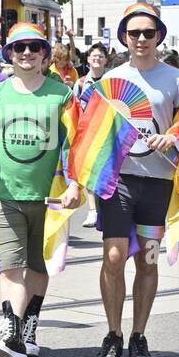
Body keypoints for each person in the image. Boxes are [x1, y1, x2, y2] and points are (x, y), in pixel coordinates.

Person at [93, 3, 179, 357]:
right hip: (118, 180)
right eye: (133, 33)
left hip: (157, 182)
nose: (140, 39)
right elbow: (94, 132)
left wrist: (172, 135)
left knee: (147, 259)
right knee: (114, 257)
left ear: (158, 37)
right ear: (123, 37)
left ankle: (138, 336)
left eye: (148, 33)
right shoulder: (109, 80)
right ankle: (113, 334)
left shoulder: (177, 79)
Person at [0, 23, 82, 357]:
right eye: (19, 47)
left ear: (44, 55)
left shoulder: (62, 95)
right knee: (10, 267)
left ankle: (29, 326)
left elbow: (78, 144)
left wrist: (76, 184)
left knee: (38, 267)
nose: (26, 53)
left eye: (34, 47)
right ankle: (10, 330)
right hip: (4, 195)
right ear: (9, 53)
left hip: (49, 198)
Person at [76, 43, 110, 227]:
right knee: (88, 171)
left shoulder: (112, 80)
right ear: (88, 59)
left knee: (105, 171)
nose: (97, 59)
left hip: (108, 133)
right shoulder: (80, 83)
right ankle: (92, 211)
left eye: (100, 56)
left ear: (105, 60)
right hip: (88, 132)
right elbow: (75, 109)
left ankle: (105, 208)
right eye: (94, 56)